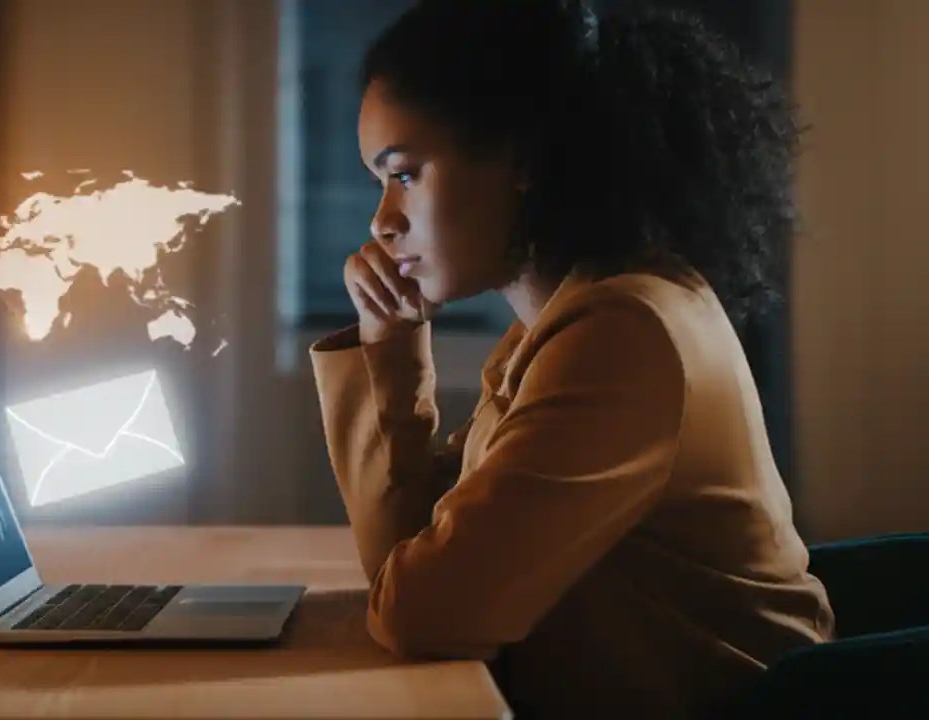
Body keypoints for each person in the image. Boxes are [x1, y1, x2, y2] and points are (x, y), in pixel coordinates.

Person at [308, 1, 834, 717]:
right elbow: (407, 569)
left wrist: (417, 588)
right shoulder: (563, 322)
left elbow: (425, 614)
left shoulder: (625, 332)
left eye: (404, 175)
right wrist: (389, 347)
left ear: (521, 157)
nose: (382, 221)